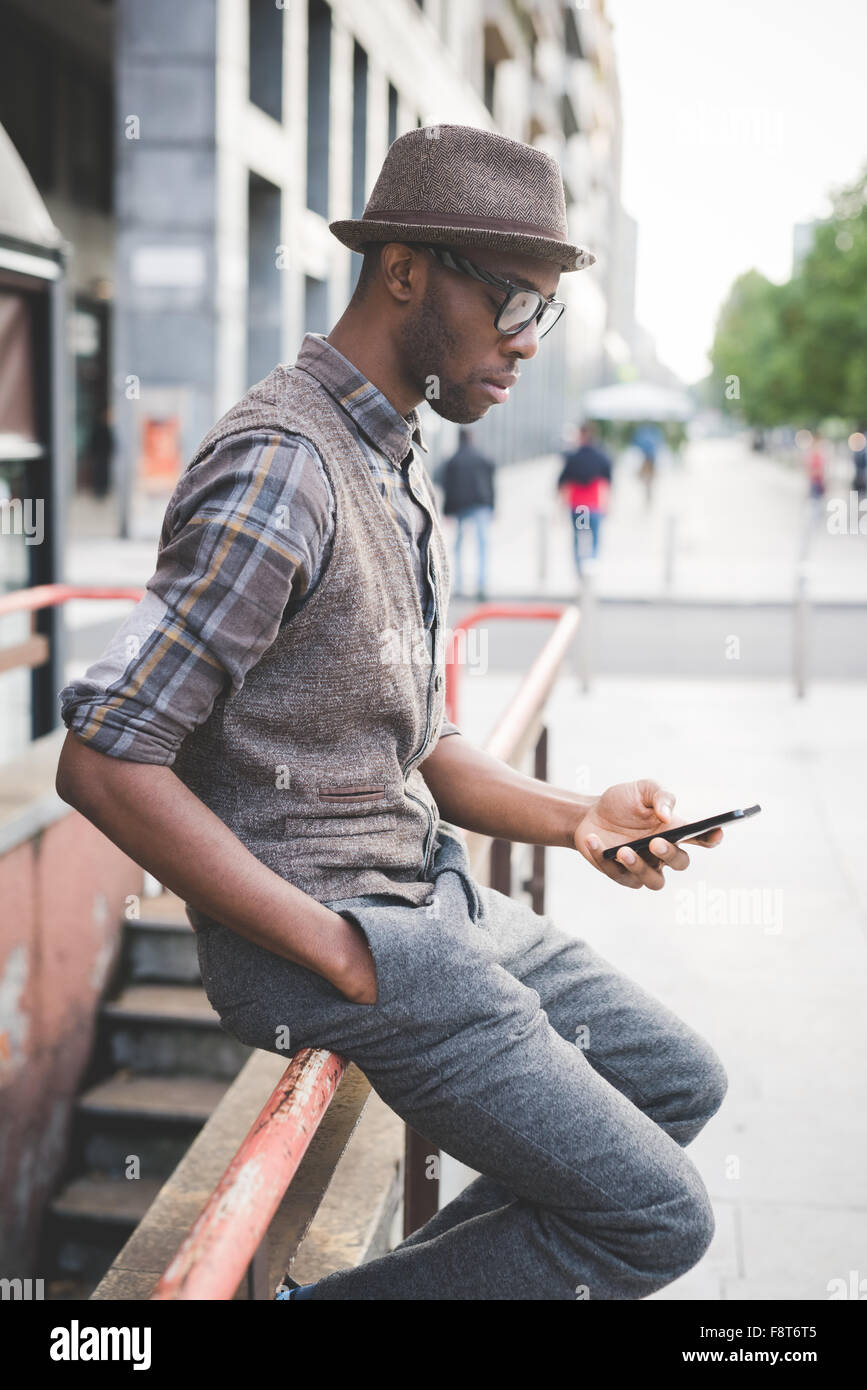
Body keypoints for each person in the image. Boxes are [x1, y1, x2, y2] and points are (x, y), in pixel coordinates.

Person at [56, 124, 727, 1302]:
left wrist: (578, 815)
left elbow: (415, 739)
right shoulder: (284, 465)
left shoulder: (391, 453)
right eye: (512, 302)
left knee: (678, 1080)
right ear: (404, 270)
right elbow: (107, 756)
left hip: (429, 897)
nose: (525, 344)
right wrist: (339, 950)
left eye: (543, 316)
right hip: (346, 937)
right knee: (656, 1220)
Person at [440, 426, 496, 598]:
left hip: (460, 508)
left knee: (458, 546)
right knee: (482, 545)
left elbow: (447, 488)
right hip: (480, 505)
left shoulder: (452, 461)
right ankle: (481, 584)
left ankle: (458, 584)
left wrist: (446, 511)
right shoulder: (483, 458)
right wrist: (493, 506)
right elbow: (491, 485)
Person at [557, 422, 612, 575]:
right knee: (594, 537)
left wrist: (560, 507)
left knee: (579, 537)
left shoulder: (572, 458)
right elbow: (607, 484)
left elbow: (562, 484)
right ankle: (591, 564)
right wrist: (608, 504)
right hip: (593, 505)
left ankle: (580, 568)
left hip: (577, 506)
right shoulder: (601, 457)